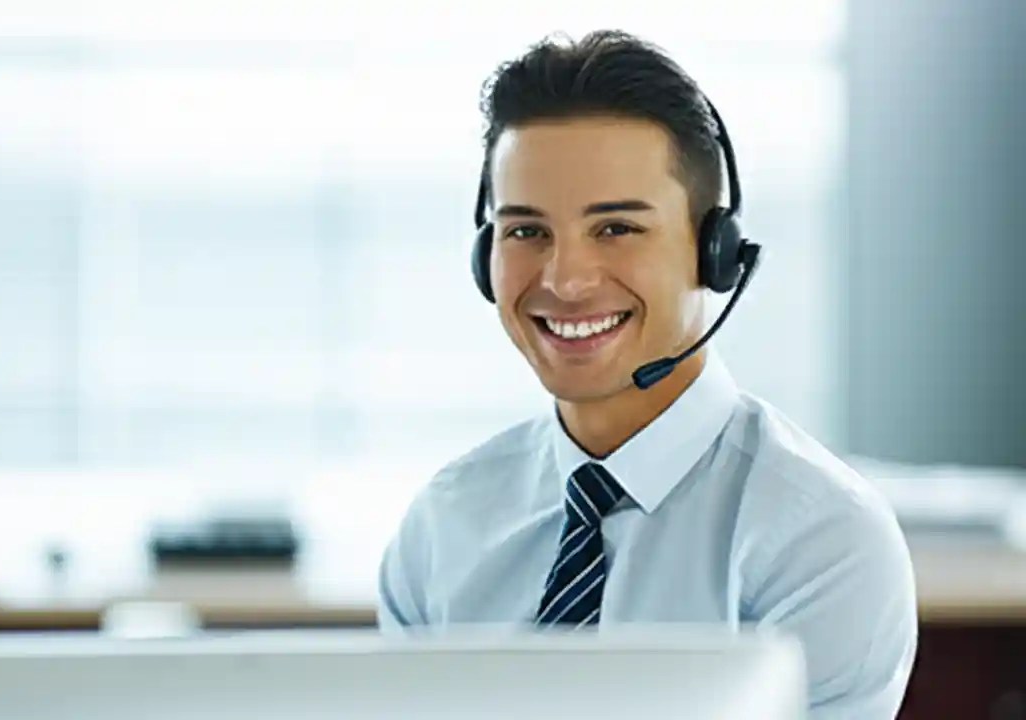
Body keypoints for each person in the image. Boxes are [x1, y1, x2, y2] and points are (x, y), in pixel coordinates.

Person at [376, 30, 917, 718]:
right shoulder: (443, 527)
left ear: (714, 253)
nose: (565, 280)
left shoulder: (821, 543)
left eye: (616, 229)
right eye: (525, 231)